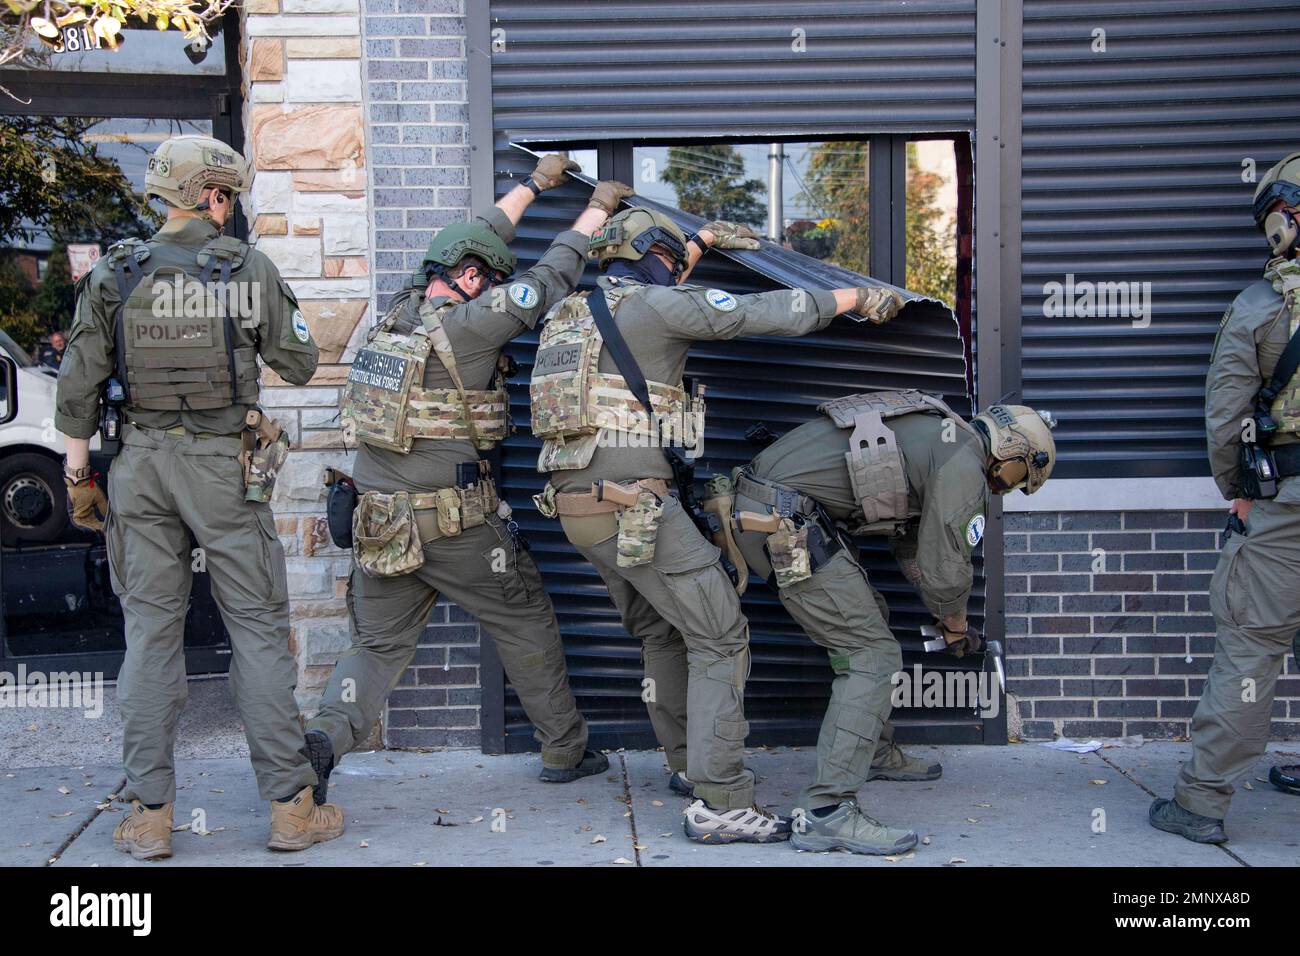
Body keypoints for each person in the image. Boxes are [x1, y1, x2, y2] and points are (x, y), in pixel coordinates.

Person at [527, 204, 905, 843]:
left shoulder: (569, 316)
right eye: (673, 259)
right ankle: (721, 801)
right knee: (721, 637)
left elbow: (663, 275)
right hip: (634, 509)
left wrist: (698, 239)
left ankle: (687, 764)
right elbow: (758, 313)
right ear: (657, 258)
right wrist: (855, 297)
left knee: (664, 633)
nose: (678, 270)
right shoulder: (654, 307)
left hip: (577, 510)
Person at [303, 157, 634, 800]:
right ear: (472, 278)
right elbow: (551, 278)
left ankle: (324, 738)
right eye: (488, 281)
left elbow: (475, 235)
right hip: (455, 526)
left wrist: (534, 186)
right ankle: (564, 749)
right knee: (526, 622)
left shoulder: (399, 311)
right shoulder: (471, 326)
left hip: (379, 520)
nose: (491, 292)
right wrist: (598, 208)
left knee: (374, 648)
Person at [54, 134, 337, 860]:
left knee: (150, 636)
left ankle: (149, 817)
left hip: (140, 466)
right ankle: (291, 809)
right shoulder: (244, 268)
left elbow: (77, 390)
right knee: (257, 631)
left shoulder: (115, 271)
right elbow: (300, 363)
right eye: (228, 196)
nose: (230, 208)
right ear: (210, 195)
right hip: (221, 469)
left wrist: (78, 480)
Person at [724, 392, 1055, 853]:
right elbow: (947, 565)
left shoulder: (941, 437)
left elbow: (912, 547)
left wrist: (943, 613)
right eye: (1016, 479)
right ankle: (826, 811)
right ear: (1012, 452)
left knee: (871, 619)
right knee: (872, 655)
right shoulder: (964, 461)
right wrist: (956, 624)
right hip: (782, 522)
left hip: (766, 509)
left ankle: (873, 752)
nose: (1004, 489)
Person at [1150, 149, 1300, 843]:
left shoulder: (1263, 307)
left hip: (1284, 506)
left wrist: (1239, 491)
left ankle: (1200, 803)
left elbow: (1226, 417)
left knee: (1250, 647)